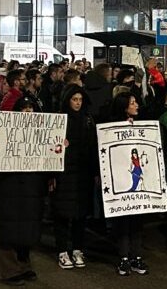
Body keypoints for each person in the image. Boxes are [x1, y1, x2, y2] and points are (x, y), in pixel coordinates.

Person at [0, 99, 48, 286]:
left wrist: (59, 147)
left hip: (32, 185)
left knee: (27, 226)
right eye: (24, 109)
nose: (28, 112)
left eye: (31, 108)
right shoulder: (5, 130)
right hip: (11, 185)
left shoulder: (42, 132)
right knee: (9, 226)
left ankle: (23, 265)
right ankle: (9, 270)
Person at [51, 84, 97, 270]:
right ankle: (62, 250)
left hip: (83, 173)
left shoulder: (88, 119)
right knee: (62, 213)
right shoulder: (59, 120)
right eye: (74, 99)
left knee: (80, 214)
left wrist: (94, 171)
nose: (78, 103)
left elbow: (93, 146)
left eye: (80, 100)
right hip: (64, 172)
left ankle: (77, 248)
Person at [109, 91, 149, 276]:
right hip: (121, 179)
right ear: (124, 107)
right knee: (123, 221)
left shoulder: (142, 125)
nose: (137, 105)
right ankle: (124, 257)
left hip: (139, 177)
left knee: (137, 220)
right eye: (133, 103)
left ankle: (136, 256)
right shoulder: (111, 128)